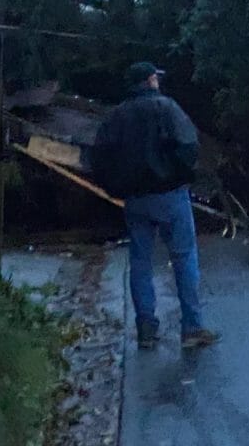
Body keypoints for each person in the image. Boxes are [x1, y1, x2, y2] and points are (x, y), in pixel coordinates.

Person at [91, 62, 220, 350]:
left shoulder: (117, 115)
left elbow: (98, 157)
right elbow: (188, 145)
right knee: (184, 257)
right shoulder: (167, 108)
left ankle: (146, 328)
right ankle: (192, 327)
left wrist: (118, 189)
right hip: (170, 194)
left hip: (135, 199)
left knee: (140, 260)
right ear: (151, 81)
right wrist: (180, 176)